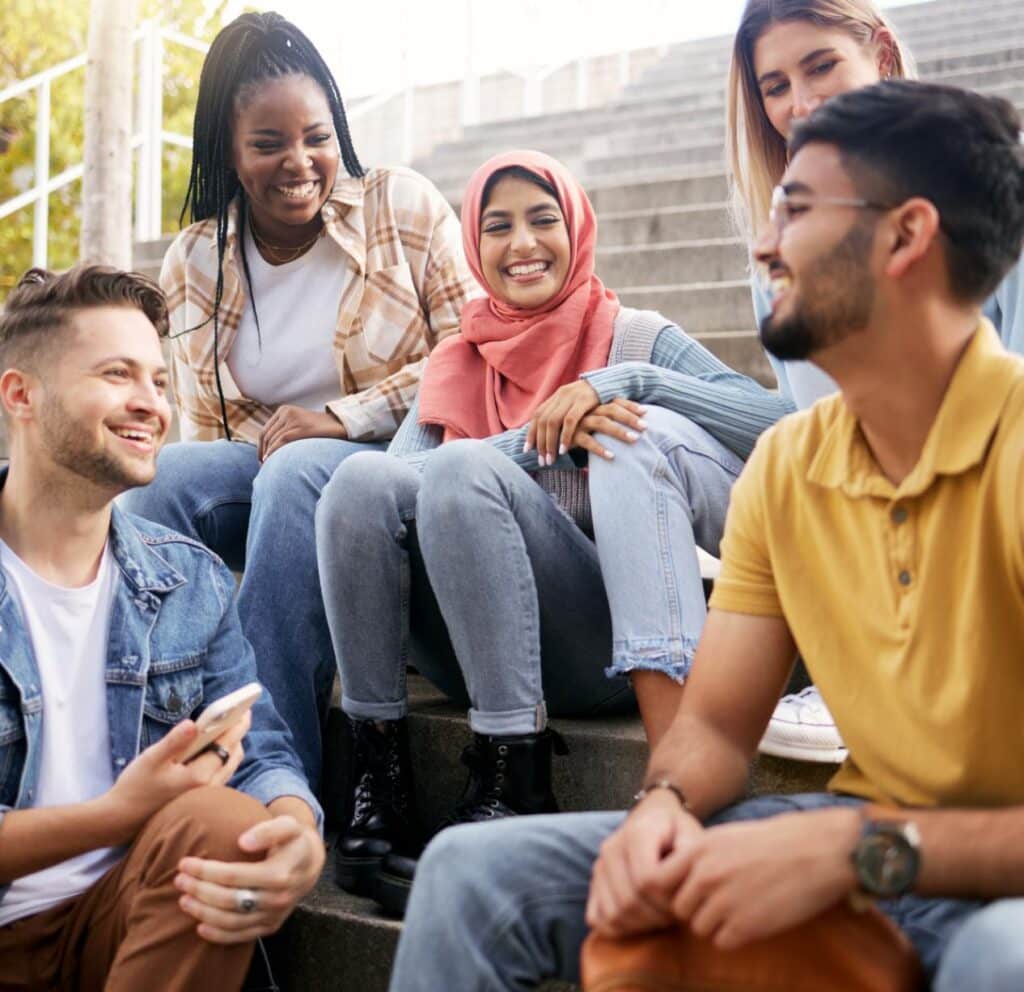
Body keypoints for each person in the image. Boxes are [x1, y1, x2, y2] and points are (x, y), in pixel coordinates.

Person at [388, 81, 1024, 992]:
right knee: (472, 875)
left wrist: (858, 849)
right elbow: (721, 728)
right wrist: (664, 806)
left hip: (962, 876)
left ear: (906, 235)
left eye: (797, 211)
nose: (763, 244)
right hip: (855, 842)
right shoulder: (789, 468)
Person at [315, 150, 793, 914]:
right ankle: (380, 778)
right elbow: (390, 491)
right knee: (356, 480)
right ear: (475, 245)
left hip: (591, 643)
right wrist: (544, 441)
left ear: (576, 228)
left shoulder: (632, 337)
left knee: (461, 471)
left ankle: (515, 781)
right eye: (497, 226)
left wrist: (631, 385)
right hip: (465, 648)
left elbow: (781, 422)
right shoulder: (454, 359)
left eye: (543, 219)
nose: (522, 243)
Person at [119, 12, 476, 789]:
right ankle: (135, 740)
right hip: (274, 486)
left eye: (316, 136)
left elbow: (476, 353)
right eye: (269, 143)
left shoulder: (401, 209)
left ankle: (271, 776)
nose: (300, 162)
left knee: (295, 471)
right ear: (227, 151)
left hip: (397, 473)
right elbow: (209, 433)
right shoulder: (196, 260)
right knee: (166, 480)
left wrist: (344, 419)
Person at [0, 265, 326, 990]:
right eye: (118, 374)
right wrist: (116, 814)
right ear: (21, 394)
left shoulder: (190, 580)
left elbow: (262, 748)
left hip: (119, 924)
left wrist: (299, 833)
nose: (150, 404)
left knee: (220, 822)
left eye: (157, 380)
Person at [727, 0, 1024, 762]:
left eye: (821, 65)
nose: (801, 103)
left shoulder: (986, 179)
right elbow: (833, 423)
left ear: (882, 51)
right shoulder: (785, 233)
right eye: (776, 85)